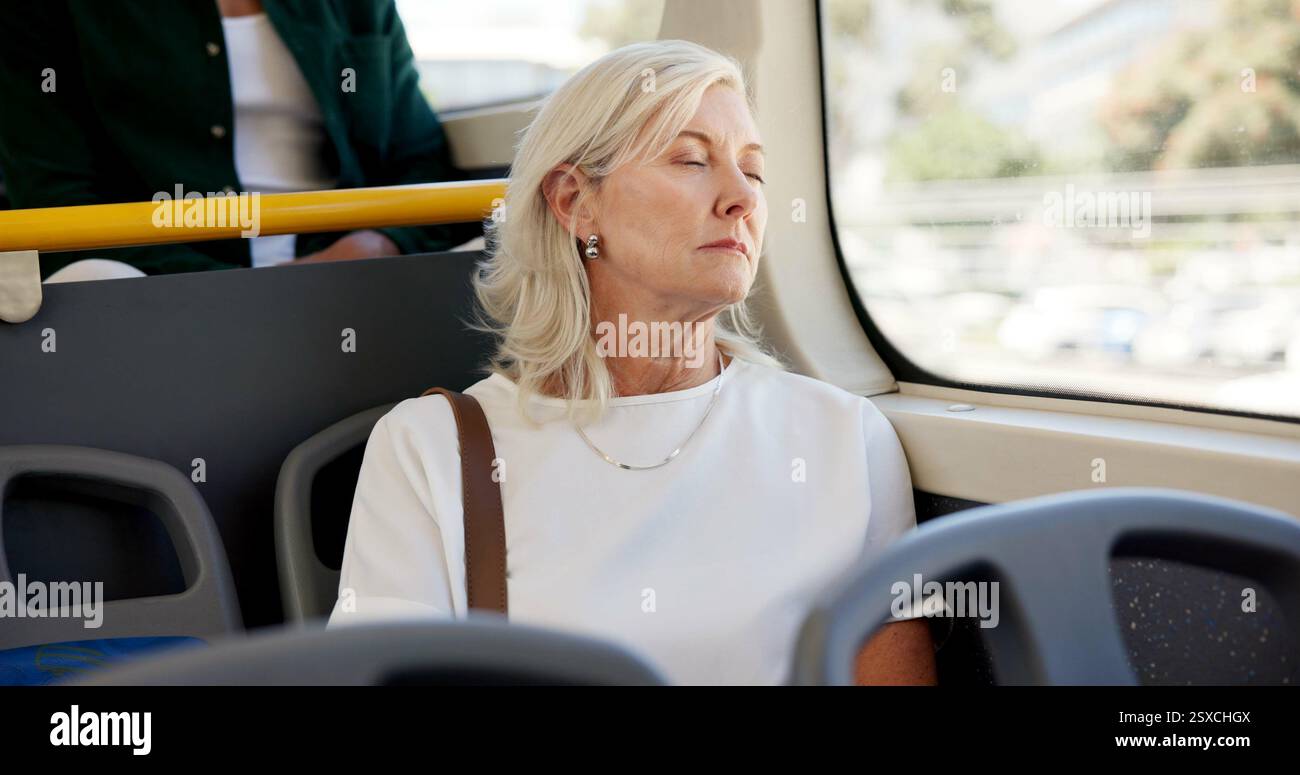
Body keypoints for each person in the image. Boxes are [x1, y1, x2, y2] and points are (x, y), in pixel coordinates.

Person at [327, 40, 937, 685]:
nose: (742, 197)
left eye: (753, 170)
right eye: (691, 159)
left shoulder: (844, 436)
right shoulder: (429, 448)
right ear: (573, 203)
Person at [0, 0, 481, 280]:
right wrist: (227, 289)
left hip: (348, 276)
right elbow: (52, 200)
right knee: (95, 279)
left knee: (504, 267)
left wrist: (375, 244)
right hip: (150, 281)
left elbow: (421, 162)